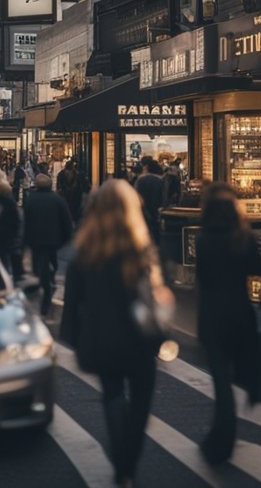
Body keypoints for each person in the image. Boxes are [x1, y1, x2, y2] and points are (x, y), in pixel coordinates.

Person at [60, 179, 174, 488]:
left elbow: (71, 308)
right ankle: (128, 462)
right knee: (140, 403)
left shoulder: (84, 255)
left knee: (112, 396)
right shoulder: (142, 251)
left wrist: (75, 339)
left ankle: (121, 466)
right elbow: (160, 297)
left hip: (102, 341)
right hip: (139, 342)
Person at [195, 183, 261, 465]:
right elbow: (259, 270)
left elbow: (201, 278)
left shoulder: (203, 239)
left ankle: (221, 437)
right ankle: (227, 430)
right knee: (235, 370)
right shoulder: (243, 237)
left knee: (220, 379)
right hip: (240, 310)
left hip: (212, 313)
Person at [23, 173, 74, 317]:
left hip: (36, 240)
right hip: (53, 240)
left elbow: (26, 221)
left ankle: (44, 284)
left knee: (40, 265)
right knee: (50, 263)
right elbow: (66, 221)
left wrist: (25, 241)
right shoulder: (57, 199)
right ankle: (48, 284)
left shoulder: (31, 200)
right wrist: (65, 238)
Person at [133, 157, 165, 245]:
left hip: (143, 215)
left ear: (146, 167)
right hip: (156, 215)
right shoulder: (160, 181)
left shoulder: (141, 180)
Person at [57, 159, 84, 225]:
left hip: (68, 197)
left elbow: (58, 186)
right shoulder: (77, 175)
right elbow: (80, 187)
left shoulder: (61, 174)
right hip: (74, 198)